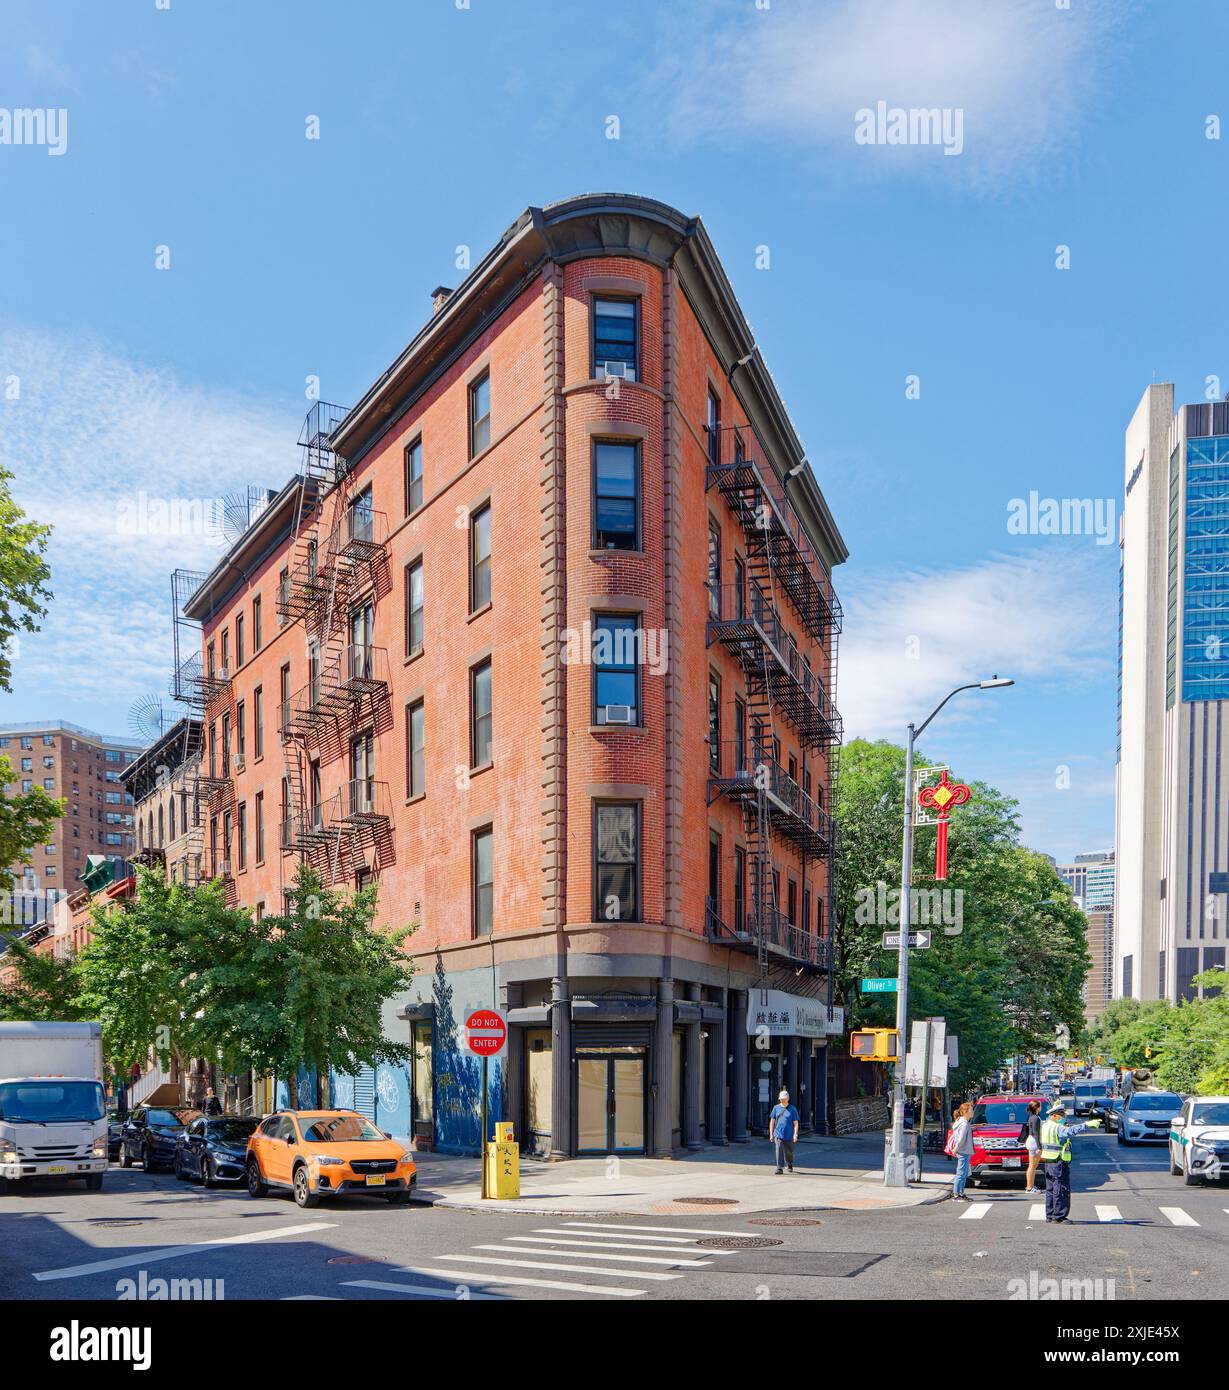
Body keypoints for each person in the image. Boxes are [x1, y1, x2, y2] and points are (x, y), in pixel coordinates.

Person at [1041, 1100, 1100, 1223]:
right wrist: (1087, 1125)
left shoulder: (1046, 1125)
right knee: (1061, 1189)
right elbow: (1070, 1131)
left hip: (1048, 1160)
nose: (1064, 1117)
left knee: (1051, 1189)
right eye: (1062, 1115)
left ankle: (1050, 1215)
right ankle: (1059, 1216)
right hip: (1058, 1161)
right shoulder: (1057, 1127)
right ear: (1055, 1115)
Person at [949, 1100, 975, 1200]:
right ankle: (957, 1193)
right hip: (963, 1151)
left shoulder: (962, 1122)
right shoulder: (964, 1124)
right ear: (966, 1112)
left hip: (964, 1150)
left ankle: (960, 1193)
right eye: (971, 1110)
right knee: (961, 1173)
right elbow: (961, 1139)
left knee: (963, 1173)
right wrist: (956, 1148)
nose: (972, 1112)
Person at [769, 1089, 800, 1174]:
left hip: (789, 1135)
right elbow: (772, 1121)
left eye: (784, 1098)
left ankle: (789, 1163)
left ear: (788, 1099)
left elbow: (796, 1123)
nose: (782, 1100)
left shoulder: (793, 1109)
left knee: (789, 1152)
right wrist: (771, 1134)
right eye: (781, 1098)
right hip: (778, 1133)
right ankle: (779, 1168)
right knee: (778, 1149)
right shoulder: (776, 1108)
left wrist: (795, 1134)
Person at [1020, 1099, 1043, 1194]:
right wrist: (1039, 1147)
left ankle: (1031, 1186)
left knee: (1032, 1166)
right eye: (1040, 1106)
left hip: (1031, 1140)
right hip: (1034, 1142)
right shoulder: (1036, 1118)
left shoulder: (1032, 1117)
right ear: (1037, 1107)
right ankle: (1029, 1187)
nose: (1041, 1107)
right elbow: (1036, 1133)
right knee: (1032, 1166)